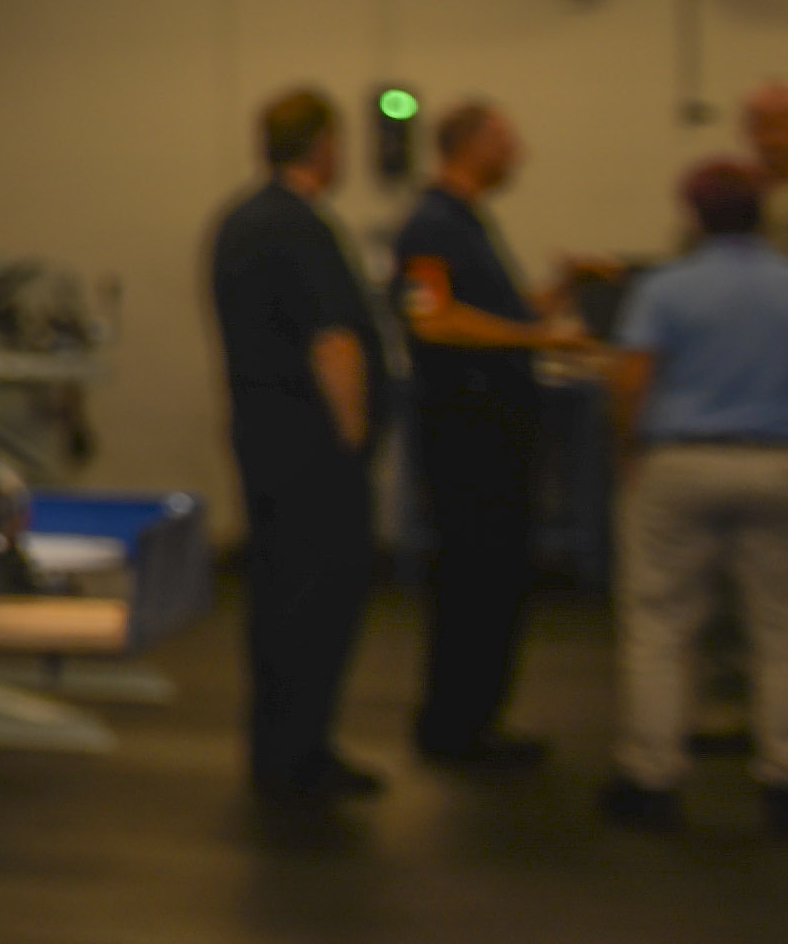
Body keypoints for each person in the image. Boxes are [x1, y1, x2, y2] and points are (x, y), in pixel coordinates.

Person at [388, 100, 595, 769]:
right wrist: (537, 336)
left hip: (493, 435)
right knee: (474, 581)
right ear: (470, 146)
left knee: (498, 578)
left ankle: (477, 718)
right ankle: (455, 727)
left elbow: (496, 315)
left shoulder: (469, 225)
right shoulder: (432, 226)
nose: (518, 154)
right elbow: (435, 321)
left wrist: (564, 288)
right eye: (506, 141)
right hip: (467, 438)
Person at [210, 87, 392, 811]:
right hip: (314, 450)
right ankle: (302, 753)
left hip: (261, 440)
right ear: (324, 144)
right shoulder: (304, 227)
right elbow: (335, 340)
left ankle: (277, 747)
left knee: (277, 596)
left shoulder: (237, 223)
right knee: (321, 602)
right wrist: (352, 440)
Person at [601, 156, 788, 835]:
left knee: (659, 623)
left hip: (681, 462)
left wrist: (629, 453)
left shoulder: (667, 288)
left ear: (693, 215)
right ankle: (781, 777)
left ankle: (652, 776)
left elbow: (632, 379)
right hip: (775, 463)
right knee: (780, 628)